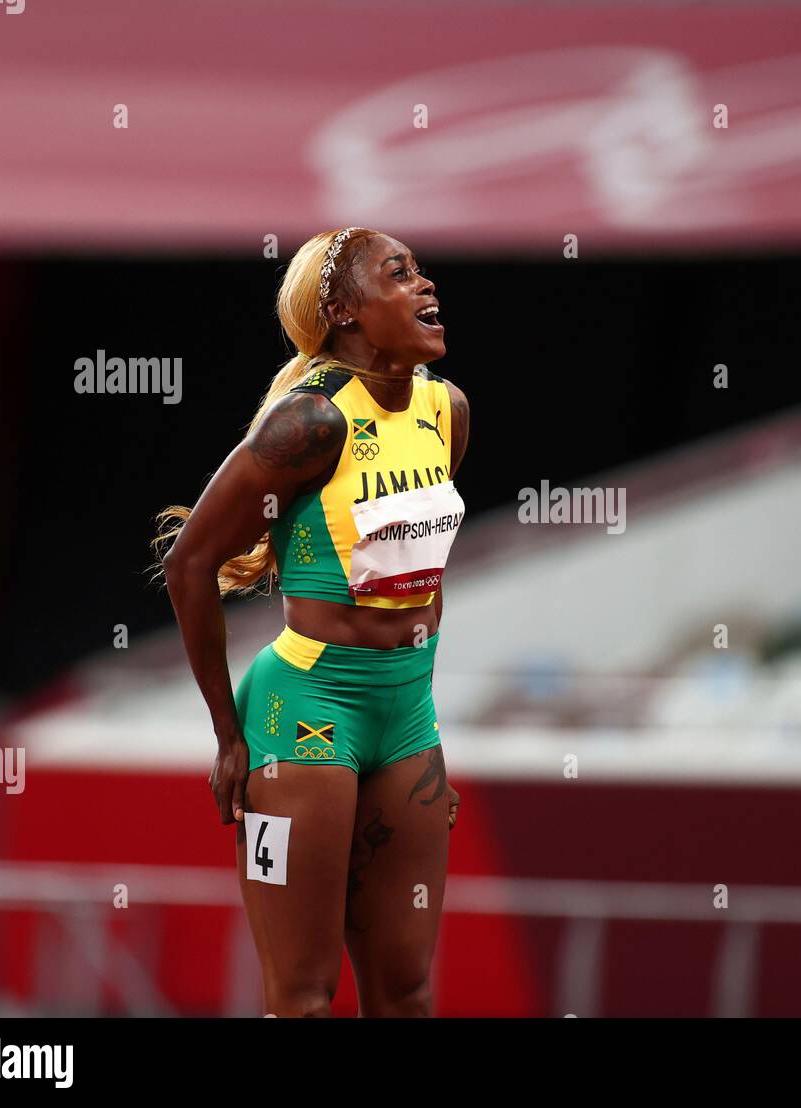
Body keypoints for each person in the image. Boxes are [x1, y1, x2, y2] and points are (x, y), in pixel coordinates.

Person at [156, 227, 468, 1017]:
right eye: (400, 275)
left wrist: (423, 716)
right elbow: (189, 564)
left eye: (423, 272)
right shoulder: (310, 423)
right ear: (345, 311)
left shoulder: (447, 411)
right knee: (303, 997)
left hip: (405, 716)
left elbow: (419, 584)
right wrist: (229, 737)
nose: (426, 286)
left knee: (409, 993)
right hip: (305, 711)